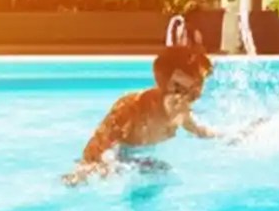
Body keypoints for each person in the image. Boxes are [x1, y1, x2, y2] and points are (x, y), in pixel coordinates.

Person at [62, 44, 221, 186]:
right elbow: (98, 145)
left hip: (140, 158)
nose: (196, 96)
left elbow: (198, 129)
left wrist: (230, 136)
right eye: (193, 89)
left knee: (162, 172)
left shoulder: (180, 109)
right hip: (121, 158)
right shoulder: (132, 108)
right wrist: (83, 171)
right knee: (161, 171)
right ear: (174, 86)